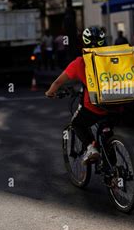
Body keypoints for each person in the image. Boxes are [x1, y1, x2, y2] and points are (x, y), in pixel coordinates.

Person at [45, 26, 109, 164]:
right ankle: (115, 174)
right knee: (108, 135)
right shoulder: (114, 57)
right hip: (118, 105)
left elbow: (57, 82)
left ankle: (91, 149)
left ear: (83, 43)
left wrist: (50, 93)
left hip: (94, 108)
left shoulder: (80, 63)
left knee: (76, 124)